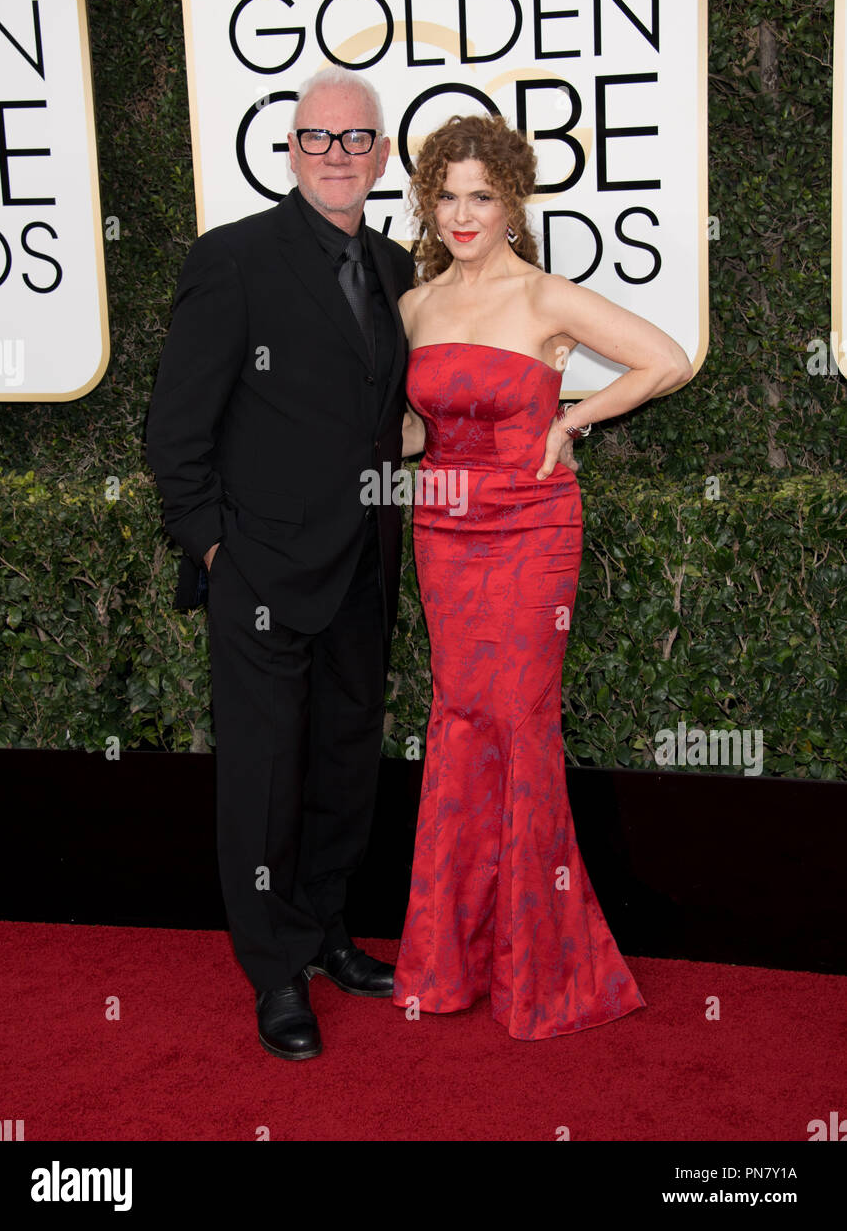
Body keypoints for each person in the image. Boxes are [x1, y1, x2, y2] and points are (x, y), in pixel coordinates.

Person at [393, 112, 693, 1040]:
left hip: (529, 532)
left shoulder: (546, 298)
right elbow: (415, 432)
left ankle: (543, 971)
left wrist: (572, 423)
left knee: (519, 721)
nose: (462, 213)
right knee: (459, 720)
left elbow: (667, 360)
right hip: (444, 530)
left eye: (481, 195)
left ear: (513, 198)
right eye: (446, 195)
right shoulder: (416, 306)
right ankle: (450, 962)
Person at [145, 67, 418, 1061]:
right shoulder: (236, 260)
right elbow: (174, 427)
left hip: (362, 568)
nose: (336, 155)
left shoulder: (395, 270)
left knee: (344, 760)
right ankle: (273, 973)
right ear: (289, 150)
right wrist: (214, 543)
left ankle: (328, 929)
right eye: (317, 139)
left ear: (381, 155)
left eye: (355, 140)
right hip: (260, 571)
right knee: (262, 777)